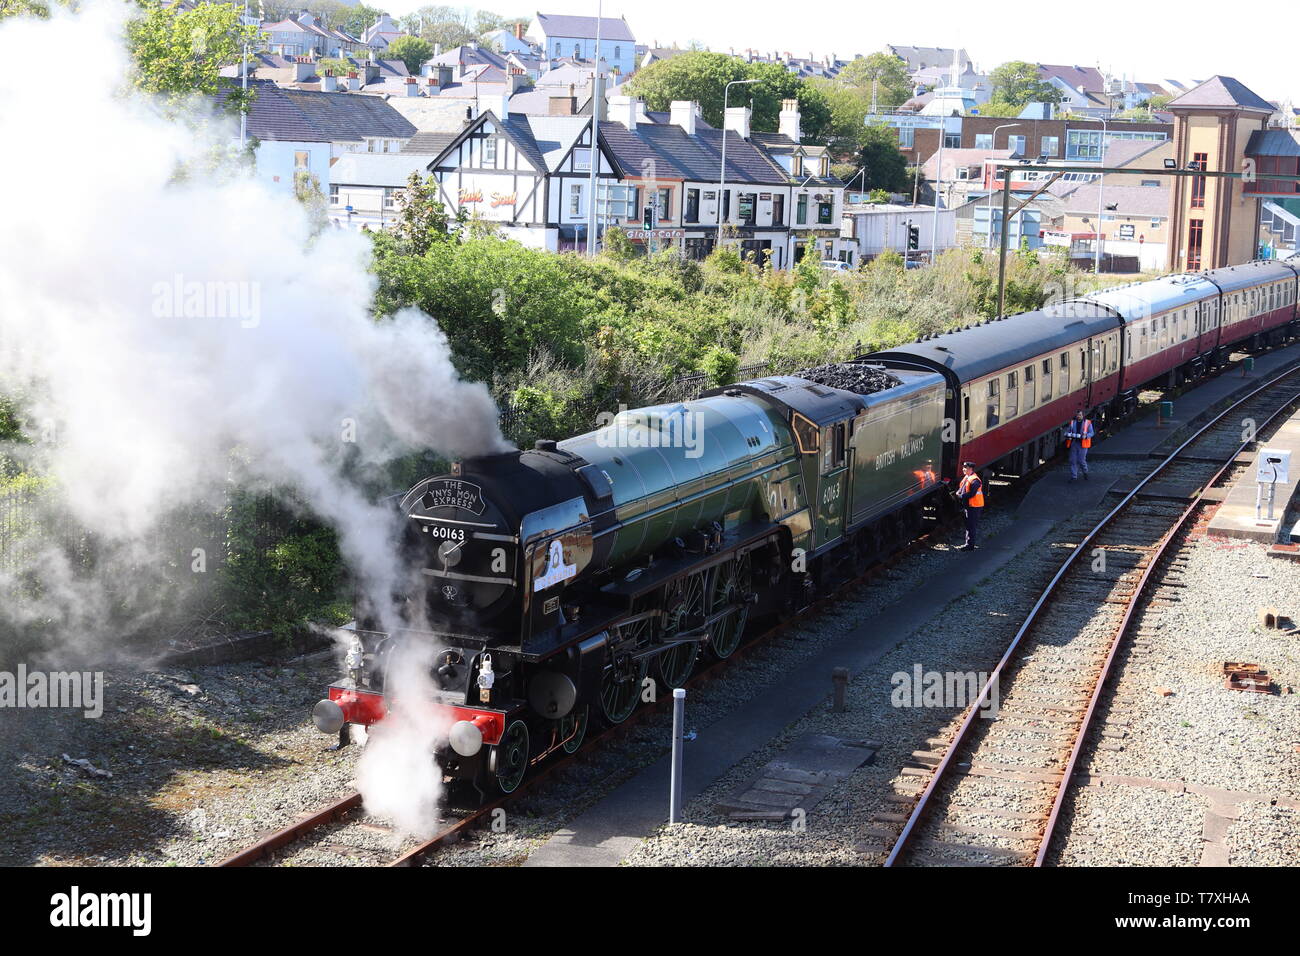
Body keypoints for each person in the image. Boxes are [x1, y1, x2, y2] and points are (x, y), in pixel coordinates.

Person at [954, 461, 984, 551]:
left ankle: (970, 546)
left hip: (974, 506)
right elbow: (963, 488)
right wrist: (958, 492)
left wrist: (961, 496)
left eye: (965, 468)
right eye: (963, 467)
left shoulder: (975, 480)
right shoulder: (967, 477)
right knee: (969, 525)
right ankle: (968, 544)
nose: (963, 469)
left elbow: (972, 494)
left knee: (971, 526)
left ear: (970, 469)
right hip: (969, 505)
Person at [1065, 410, 1095, 481]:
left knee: (1081, 460)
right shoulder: (1073, 423)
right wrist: (1067, 434)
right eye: (1078, 415)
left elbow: (1092, 433)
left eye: (1080, 415)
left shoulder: (1087, 423)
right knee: (1073, 460)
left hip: (1083, 444)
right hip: (1074, 443)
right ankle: (1074, 476)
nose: (1078, 416)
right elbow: (1068, 431)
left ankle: (1085, 472)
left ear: (1083, 415)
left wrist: (1086, 436)